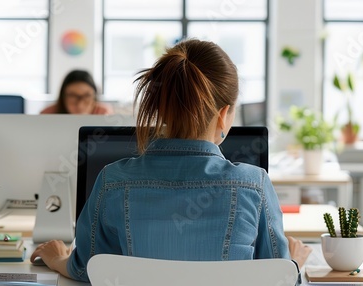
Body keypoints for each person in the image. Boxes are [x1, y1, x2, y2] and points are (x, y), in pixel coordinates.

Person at [30, 39, 311, 282]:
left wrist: (57, 259)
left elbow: (87, 269)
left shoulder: (111, 181)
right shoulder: (255, 185)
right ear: (224, 113)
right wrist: (294, 263)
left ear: (161, 107)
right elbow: (276, 277)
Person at [40, 70, 113, 115]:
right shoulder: (48, 114)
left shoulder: (104, 114)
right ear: (63, 97)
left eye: (87, 96)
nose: (80, 104)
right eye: (73, 96)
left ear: (94, 96)